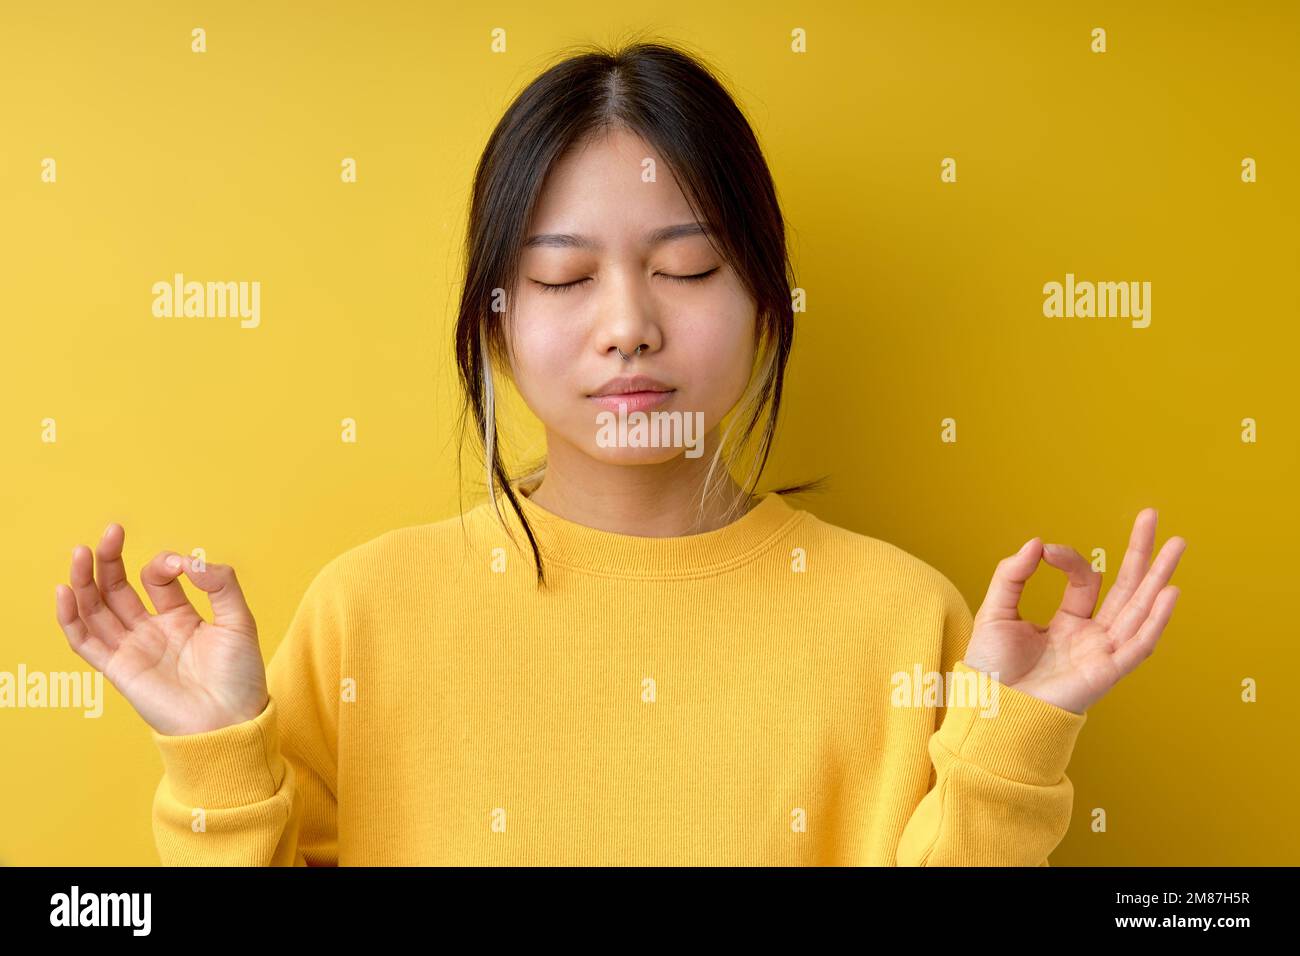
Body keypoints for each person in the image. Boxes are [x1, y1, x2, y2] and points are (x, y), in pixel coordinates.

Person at [52, 40, 1185, 866]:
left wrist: (1016, 745)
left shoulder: (904, 617)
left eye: (687, 269)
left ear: (765, 305)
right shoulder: (366, 610)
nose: (628, 323)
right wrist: (214, 758)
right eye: (561, 277)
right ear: (495, 317)